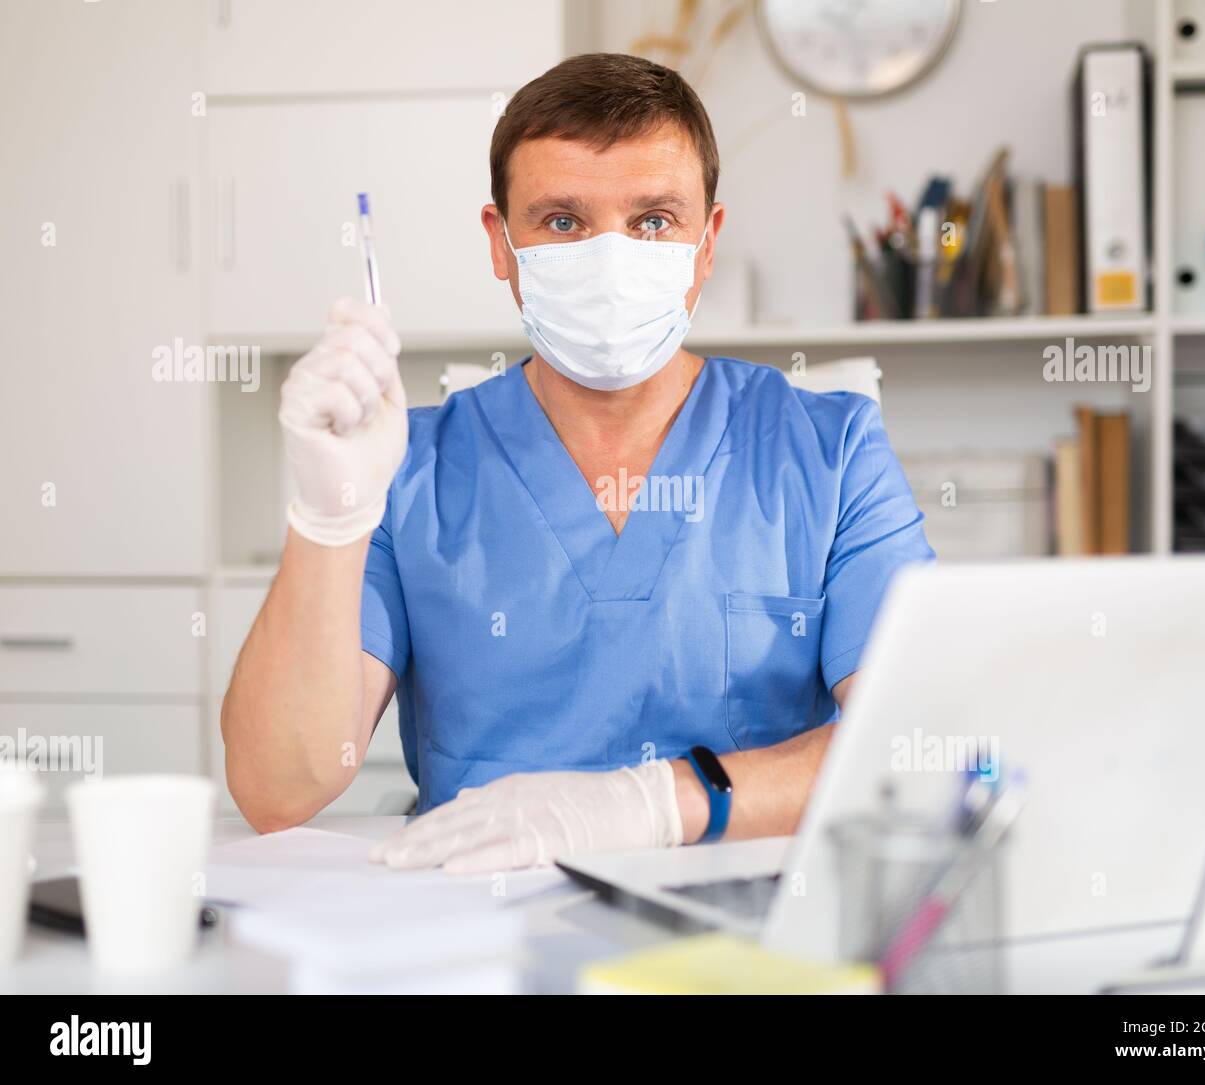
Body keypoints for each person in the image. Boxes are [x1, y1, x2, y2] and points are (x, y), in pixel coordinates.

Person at [221, 52, 933, 873]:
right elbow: (276, 789)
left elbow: (914, 742)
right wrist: (329, 514)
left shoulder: (829, 452)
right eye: (562, 220)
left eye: (654, 220)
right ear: (502, 242)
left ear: (708, 242)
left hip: (744, 925)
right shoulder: (408, 469)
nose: (610, 258)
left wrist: (654, 804)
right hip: (475, 920)